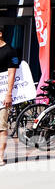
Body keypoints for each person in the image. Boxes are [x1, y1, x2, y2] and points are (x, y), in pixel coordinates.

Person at [0, 34, 19, 165]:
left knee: (1, 126)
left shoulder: (10, 51)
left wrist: (8, 94)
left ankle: (0, 156)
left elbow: (12, 73)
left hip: (2, 94)